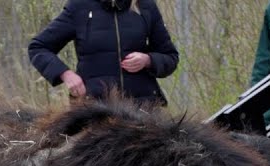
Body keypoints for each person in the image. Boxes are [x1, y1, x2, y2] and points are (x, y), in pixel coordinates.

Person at [28, 0, 179, 107]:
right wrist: (66, 74)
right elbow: (39, 47)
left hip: (144, 108)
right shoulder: (79, 7)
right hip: (94, 109)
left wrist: (148, 60)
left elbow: (170, 57)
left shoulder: (145, 6)